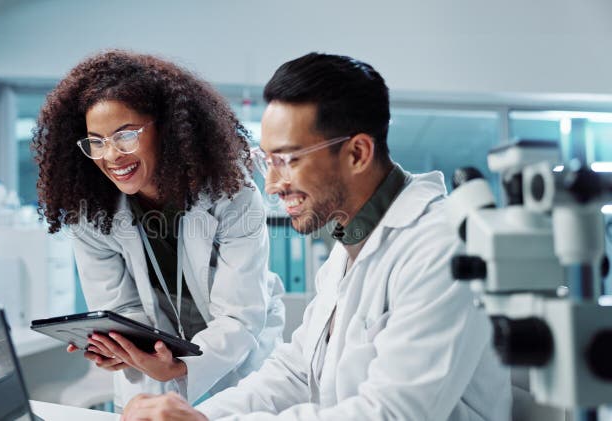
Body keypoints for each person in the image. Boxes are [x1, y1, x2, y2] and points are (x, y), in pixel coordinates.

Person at [122, 53, 512, 420]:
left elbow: (392, 413)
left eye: (287, 160)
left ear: (357, 154)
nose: (272, 184)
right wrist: (199, 415)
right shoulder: (349, 246)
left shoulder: (441, 247)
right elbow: (295, 373)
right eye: (266, 161)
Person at [31, 50, 285, 411]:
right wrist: (125, 347)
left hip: (236, 354)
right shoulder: (91, 213)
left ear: (165, 128)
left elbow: (239, 316)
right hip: (155, 365)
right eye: (96, 142)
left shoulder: (231, 195)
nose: (111, 156)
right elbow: (121, 308)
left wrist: (179, 367)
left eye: (125, 135)